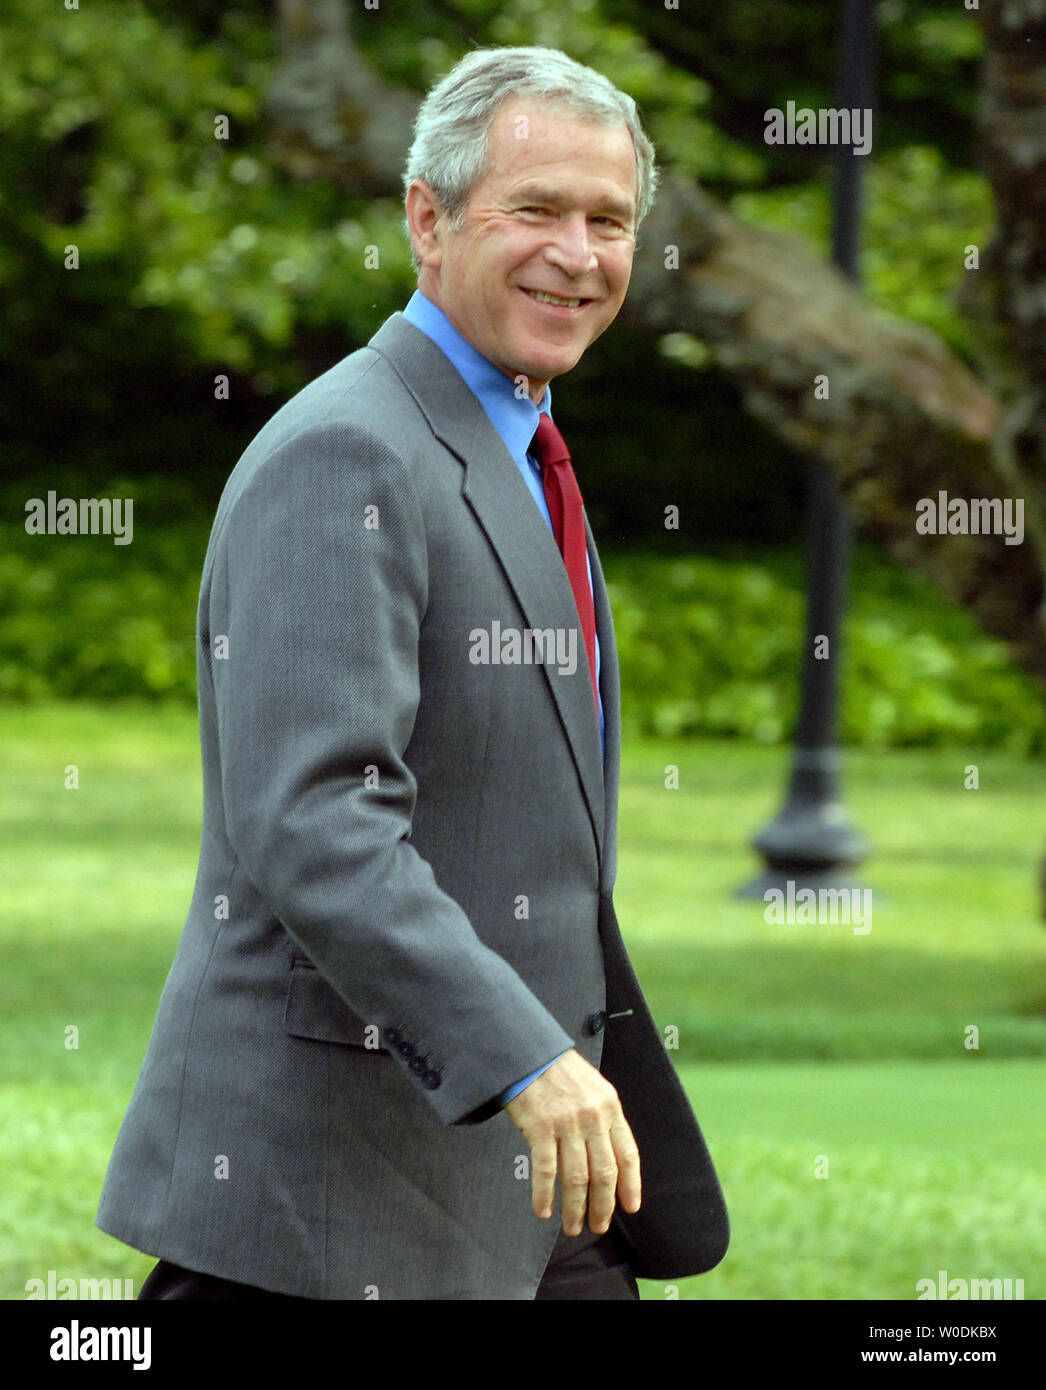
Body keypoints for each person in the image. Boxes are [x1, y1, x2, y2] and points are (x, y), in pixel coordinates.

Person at [96, 44, 728, 1301]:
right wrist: (522, 1060)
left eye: (609, 221)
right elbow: (317, 819)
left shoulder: (520, 438)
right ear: (427, 220)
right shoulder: (347, 453)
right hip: (325, 1213)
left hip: (526, 1201)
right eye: (535, 209)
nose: (579, 252)